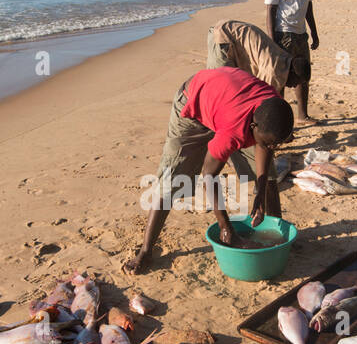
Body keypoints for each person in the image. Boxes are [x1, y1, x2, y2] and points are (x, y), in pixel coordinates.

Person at [124, 67, 294, 274]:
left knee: (269, 179)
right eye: (270, 142)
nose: (273, 147)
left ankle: (279, 238)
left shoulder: (273, 106)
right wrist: (225, 226)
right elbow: (209, 175)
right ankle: (146, 251)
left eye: (278, 143)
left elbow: (265, 146)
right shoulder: (235, 129)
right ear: (253, 127)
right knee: (172, 179)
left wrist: (260, 190)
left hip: (223, 98)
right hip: (192, 102)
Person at [264, 0, 320, 122]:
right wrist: (272, 43)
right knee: (281, 78)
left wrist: (314, 31)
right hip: (283, 34)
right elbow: (270, 10)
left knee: (303, 75)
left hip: (301, 33)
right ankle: (280, 120)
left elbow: (308, 3)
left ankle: (303, 115)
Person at [206, 18, 310, 93]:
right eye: (297, 81)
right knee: (221, 86)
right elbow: (261, 98)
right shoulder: (272, 71)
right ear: (292, 72)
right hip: (222, 36)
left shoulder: (284, 59)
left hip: (231, 32)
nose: (295, 86)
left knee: (236, 86)